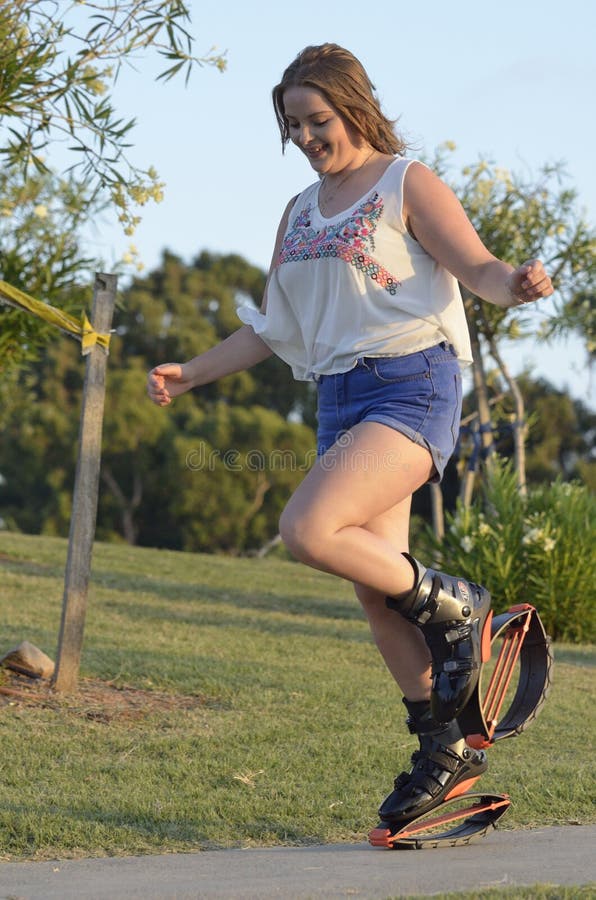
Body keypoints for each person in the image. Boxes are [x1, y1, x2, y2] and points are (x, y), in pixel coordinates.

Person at [147, 43, 553, 834]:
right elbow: (274, 327)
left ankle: (460, 606)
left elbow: (478, 268)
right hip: (338, 398)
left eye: (316, 120)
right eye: (292, 125)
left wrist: (516, 284)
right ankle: (446, 750)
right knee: (376, 588)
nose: (304, 137)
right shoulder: (298, 213)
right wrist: (192, 373)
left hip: (412, 383)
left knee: (306, 528)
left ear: (354, 107)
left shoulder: (406, 182)